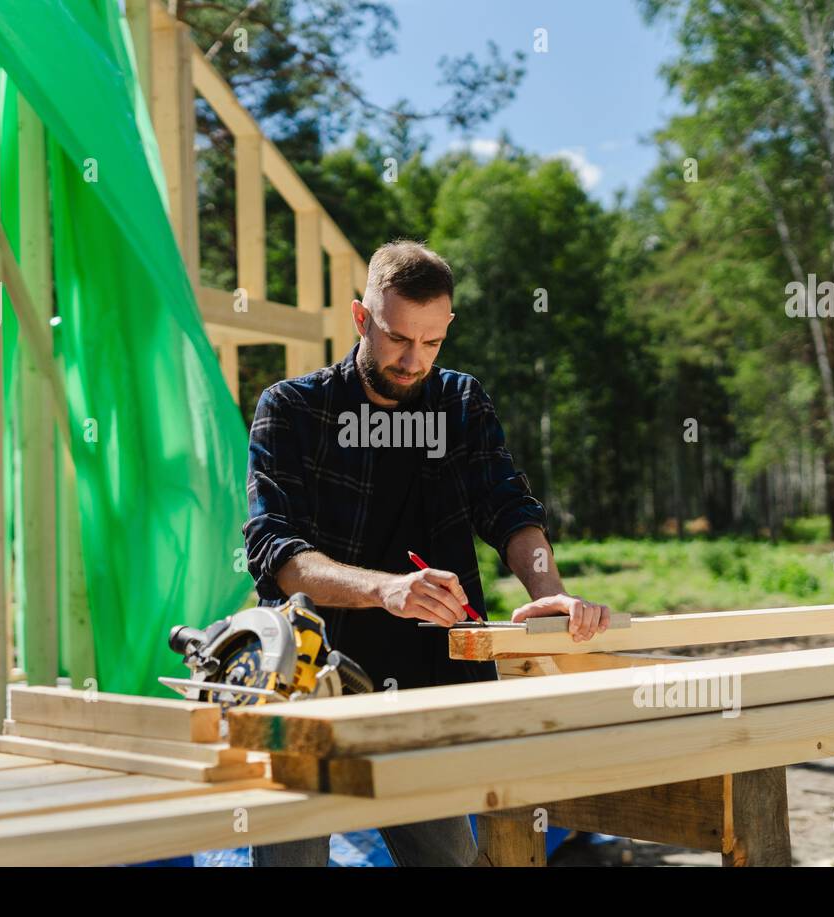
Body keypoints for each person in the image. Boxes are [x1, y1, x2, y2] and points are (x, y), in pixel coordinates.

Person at [242, 239, 614, 866]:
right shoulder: (292, 409)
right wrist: (384, 589)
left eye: (431, 343)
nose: (413, 361)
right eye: (396, 339)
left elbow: (508, 507)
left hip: (425, 690)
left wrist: (549, 593)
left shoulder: (461, 402)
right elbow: (276, 553)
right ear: (361, 318)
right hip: (306, 683)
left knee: (448, 861)